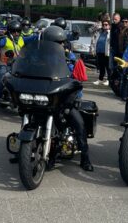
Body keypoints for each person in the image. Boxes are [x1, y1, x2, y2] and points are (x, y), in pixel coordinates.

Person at [40, 26, 93, 171]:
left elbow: (76, 79)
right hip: (44, 97)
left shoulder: (69, 57)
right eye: (57, 42)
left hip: (63, 100)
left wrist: (75, 92)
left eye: (61, 43)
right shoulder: (39, 55)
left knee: (79, 125)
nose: (61, 45)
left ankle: (85, 158)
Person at [0, 20, 25, 115]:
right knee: (0, 80)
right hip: (6, 65)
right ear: (9, 31)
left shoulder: (22, 39)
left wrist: (42, 35)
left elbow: (33, 40)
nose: (16, 33)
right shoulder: (5, 39)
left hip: (19, 65)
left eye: (18, 31)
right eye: (14, 31)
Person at [90, 18, 111, 85]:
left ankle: (109, 80)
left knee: (108, 67)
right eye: (103, 25)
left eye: (106, 24)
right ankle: (100, 79)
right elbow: (95, 40)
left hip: (106, 52)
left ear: (109, 25)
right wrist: (94, 50)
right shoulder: (100, 32)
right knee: (101, 67)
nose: (104, 26)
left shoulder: (110, 33)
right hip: (99, 52)